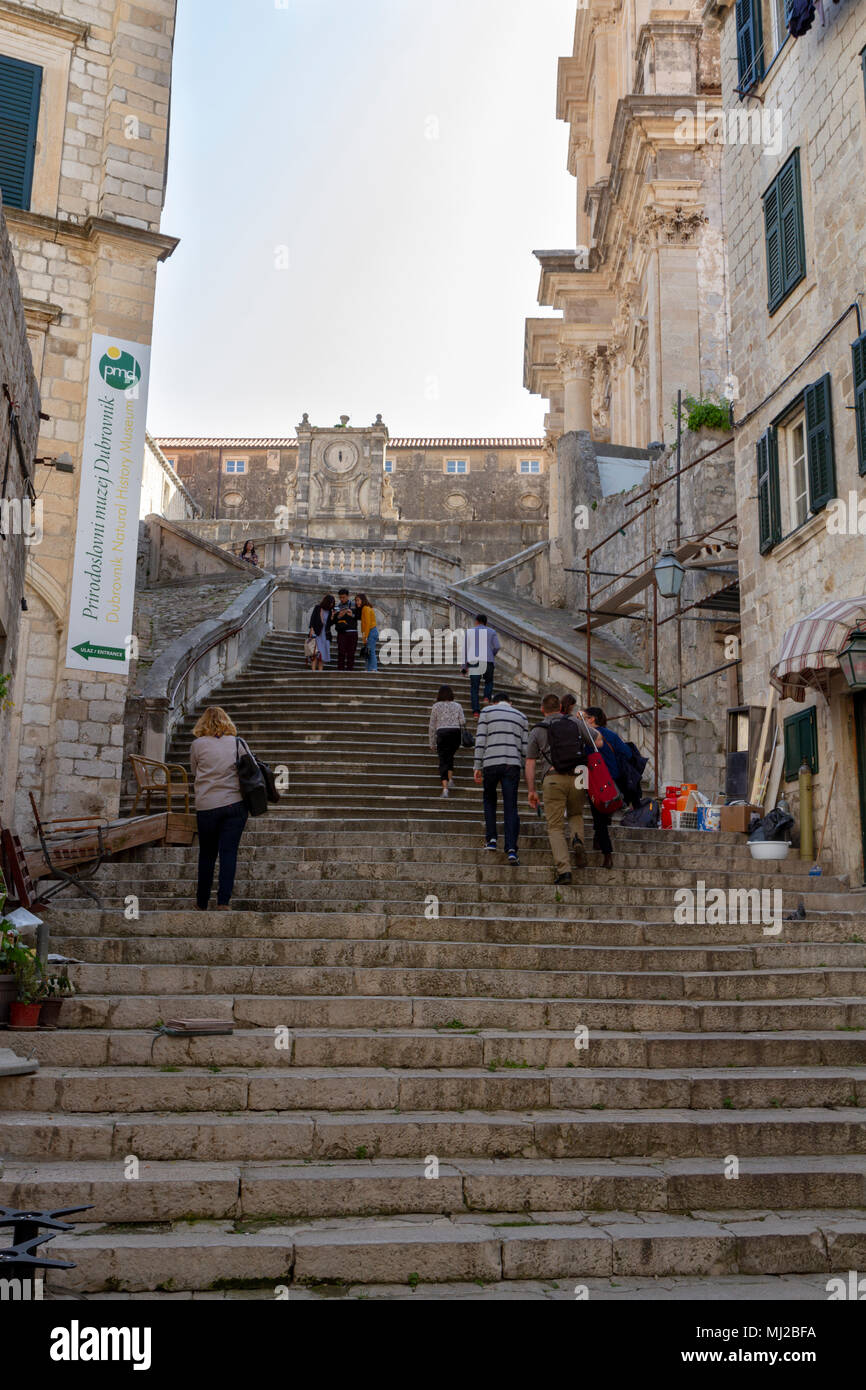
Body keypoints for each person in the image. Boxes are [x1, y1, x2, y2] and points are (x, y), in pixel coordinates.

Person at [526, 694, 599, 885]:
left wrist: (532, 790)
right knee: (576, 814)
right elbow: (597, 741)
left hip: (553, 779)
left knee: (556, 827)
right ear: (560, 707)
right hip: (578, 777)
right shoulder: (575, 722)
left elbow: (530, 763)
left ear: (542, 709)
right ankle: (577, 840)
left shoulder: (537, 730)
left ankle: (565, 871)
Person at [189, 706, 249, 911]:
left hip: (207, 805)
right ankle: (223, 901)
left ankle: (202, 902)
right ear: (227, 721)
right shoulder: (237, 742)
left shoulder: (197, 745)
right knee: (228, 852)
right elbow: (250, 767)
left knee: (206, 854)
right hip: (234, 803)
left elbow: (194, 771)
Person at [580, 705, 639, 869]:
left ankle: (607, 853)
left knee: (598, 817)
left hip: (594, 781)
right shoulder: (612, 735)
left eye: (584, 717)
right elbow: (627, 753)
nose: (582, 720)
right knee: (604, 812)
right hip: (612, 780)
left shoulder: (586, 737)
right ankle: (599, 839)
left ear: (592, 719)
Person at [473, 691, 528, 866]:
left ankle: (492, 839)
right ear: (509, 702)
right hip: (512, 764)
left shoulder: (487, 712)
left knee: (489, 800)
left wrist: (477, 766)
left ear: (495, 702)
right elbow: (525, 748)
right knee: (510, 806)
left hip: (491, 762)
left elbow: (481, 740)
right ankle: (511, 849)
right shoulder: (521, 716)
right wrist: (526, 769)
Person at [429, 684, 466, 798]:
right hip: (455, 733)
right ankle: (450, 780)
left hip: (442, 733)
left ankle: (445, 788)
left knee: (443, 759)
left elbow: (432, 725)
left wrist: (432, 741)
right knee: (449, 756)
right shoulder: (457, 705)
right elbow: (463, 721)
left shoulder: (436, 706)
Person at [462, 615, 501, 718]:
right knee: (489, 681)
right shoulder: (492, 632)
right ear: (485, 622)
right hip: (488, 661)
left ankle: (476, 712)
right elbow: (497, 646)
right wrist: (492, 654)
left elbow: (465, 650)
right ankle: (486, 698)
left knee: (474, 687)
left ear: (477, 621)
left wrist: (464, 666)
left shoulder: (469, 632)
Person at [308, 594, 335, 672]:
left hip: (325, 635)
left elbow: (330, 624)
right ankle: (313, 671)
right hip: (317, 633)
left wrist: (332, 617)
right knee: (315, 654)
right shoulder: (317, 608)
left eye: (333, 603)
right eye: (330, 603)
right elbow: (312, 619)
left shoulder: (330, 611)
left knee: (322, 655)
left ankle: (320, 672)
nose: (332, 605)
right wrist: (311, 629)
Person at [334, 589, 359, 670]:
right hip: (341, 633)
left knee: (351, 653)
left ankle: (350, 671)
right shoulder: (337, 606)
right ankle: (340, 670)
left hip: (352, 632)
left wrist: (352, 615)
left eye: (343, 597)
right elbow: (333, 620)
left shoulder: (354, 605)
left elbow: (359, 616)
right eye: (340, 597)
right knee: (341, 652)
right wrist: (338, 616)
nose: (342, 599)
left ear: (348, 596)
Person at [356, 592, 379, 672]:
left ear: (362, 600)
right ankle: (368, 669)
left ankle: (374, 669)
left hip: (371, 631)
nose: (357, 602)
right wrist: (364, 635)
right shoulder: (365, 608)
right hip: (370, 631)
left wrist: (365, 636)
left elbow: (368, 623)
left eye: (358, 600)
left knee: (371, 651)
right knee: (368, 651)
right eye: (356, 600)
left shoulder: (366, 608)